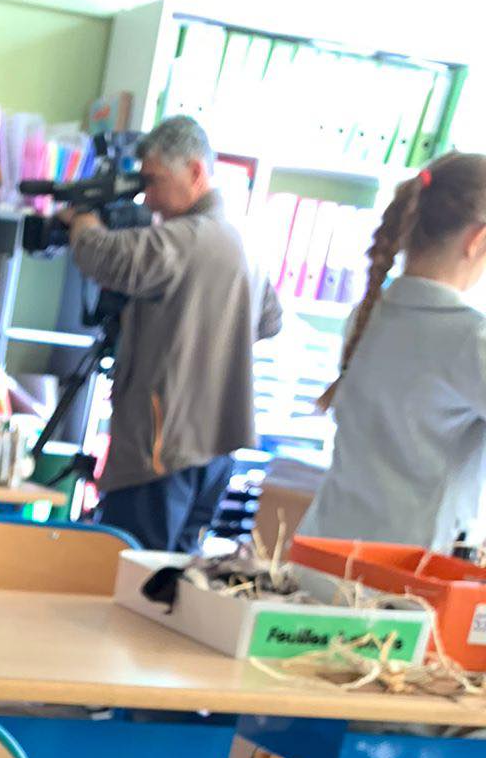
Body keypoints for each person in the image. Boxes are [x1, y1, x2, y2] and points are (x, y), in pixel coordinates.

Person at [63, 115, 282, 552]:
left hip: (165, 450)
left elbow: (106, 257)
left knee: (134, 578)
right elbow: (270, 321)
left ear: (196, 171)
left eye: (155, 181)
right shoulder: (244, 245)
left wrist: (81, 220)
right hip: (215, 450)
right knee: (171, 583)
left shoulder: (187, 239)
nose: (149, 196)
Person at [301, 154, 486, 552]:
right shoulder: (471, 339)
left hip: (323, 548)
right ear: (478, 240)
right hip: (401, 577)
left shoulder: (367, 315)